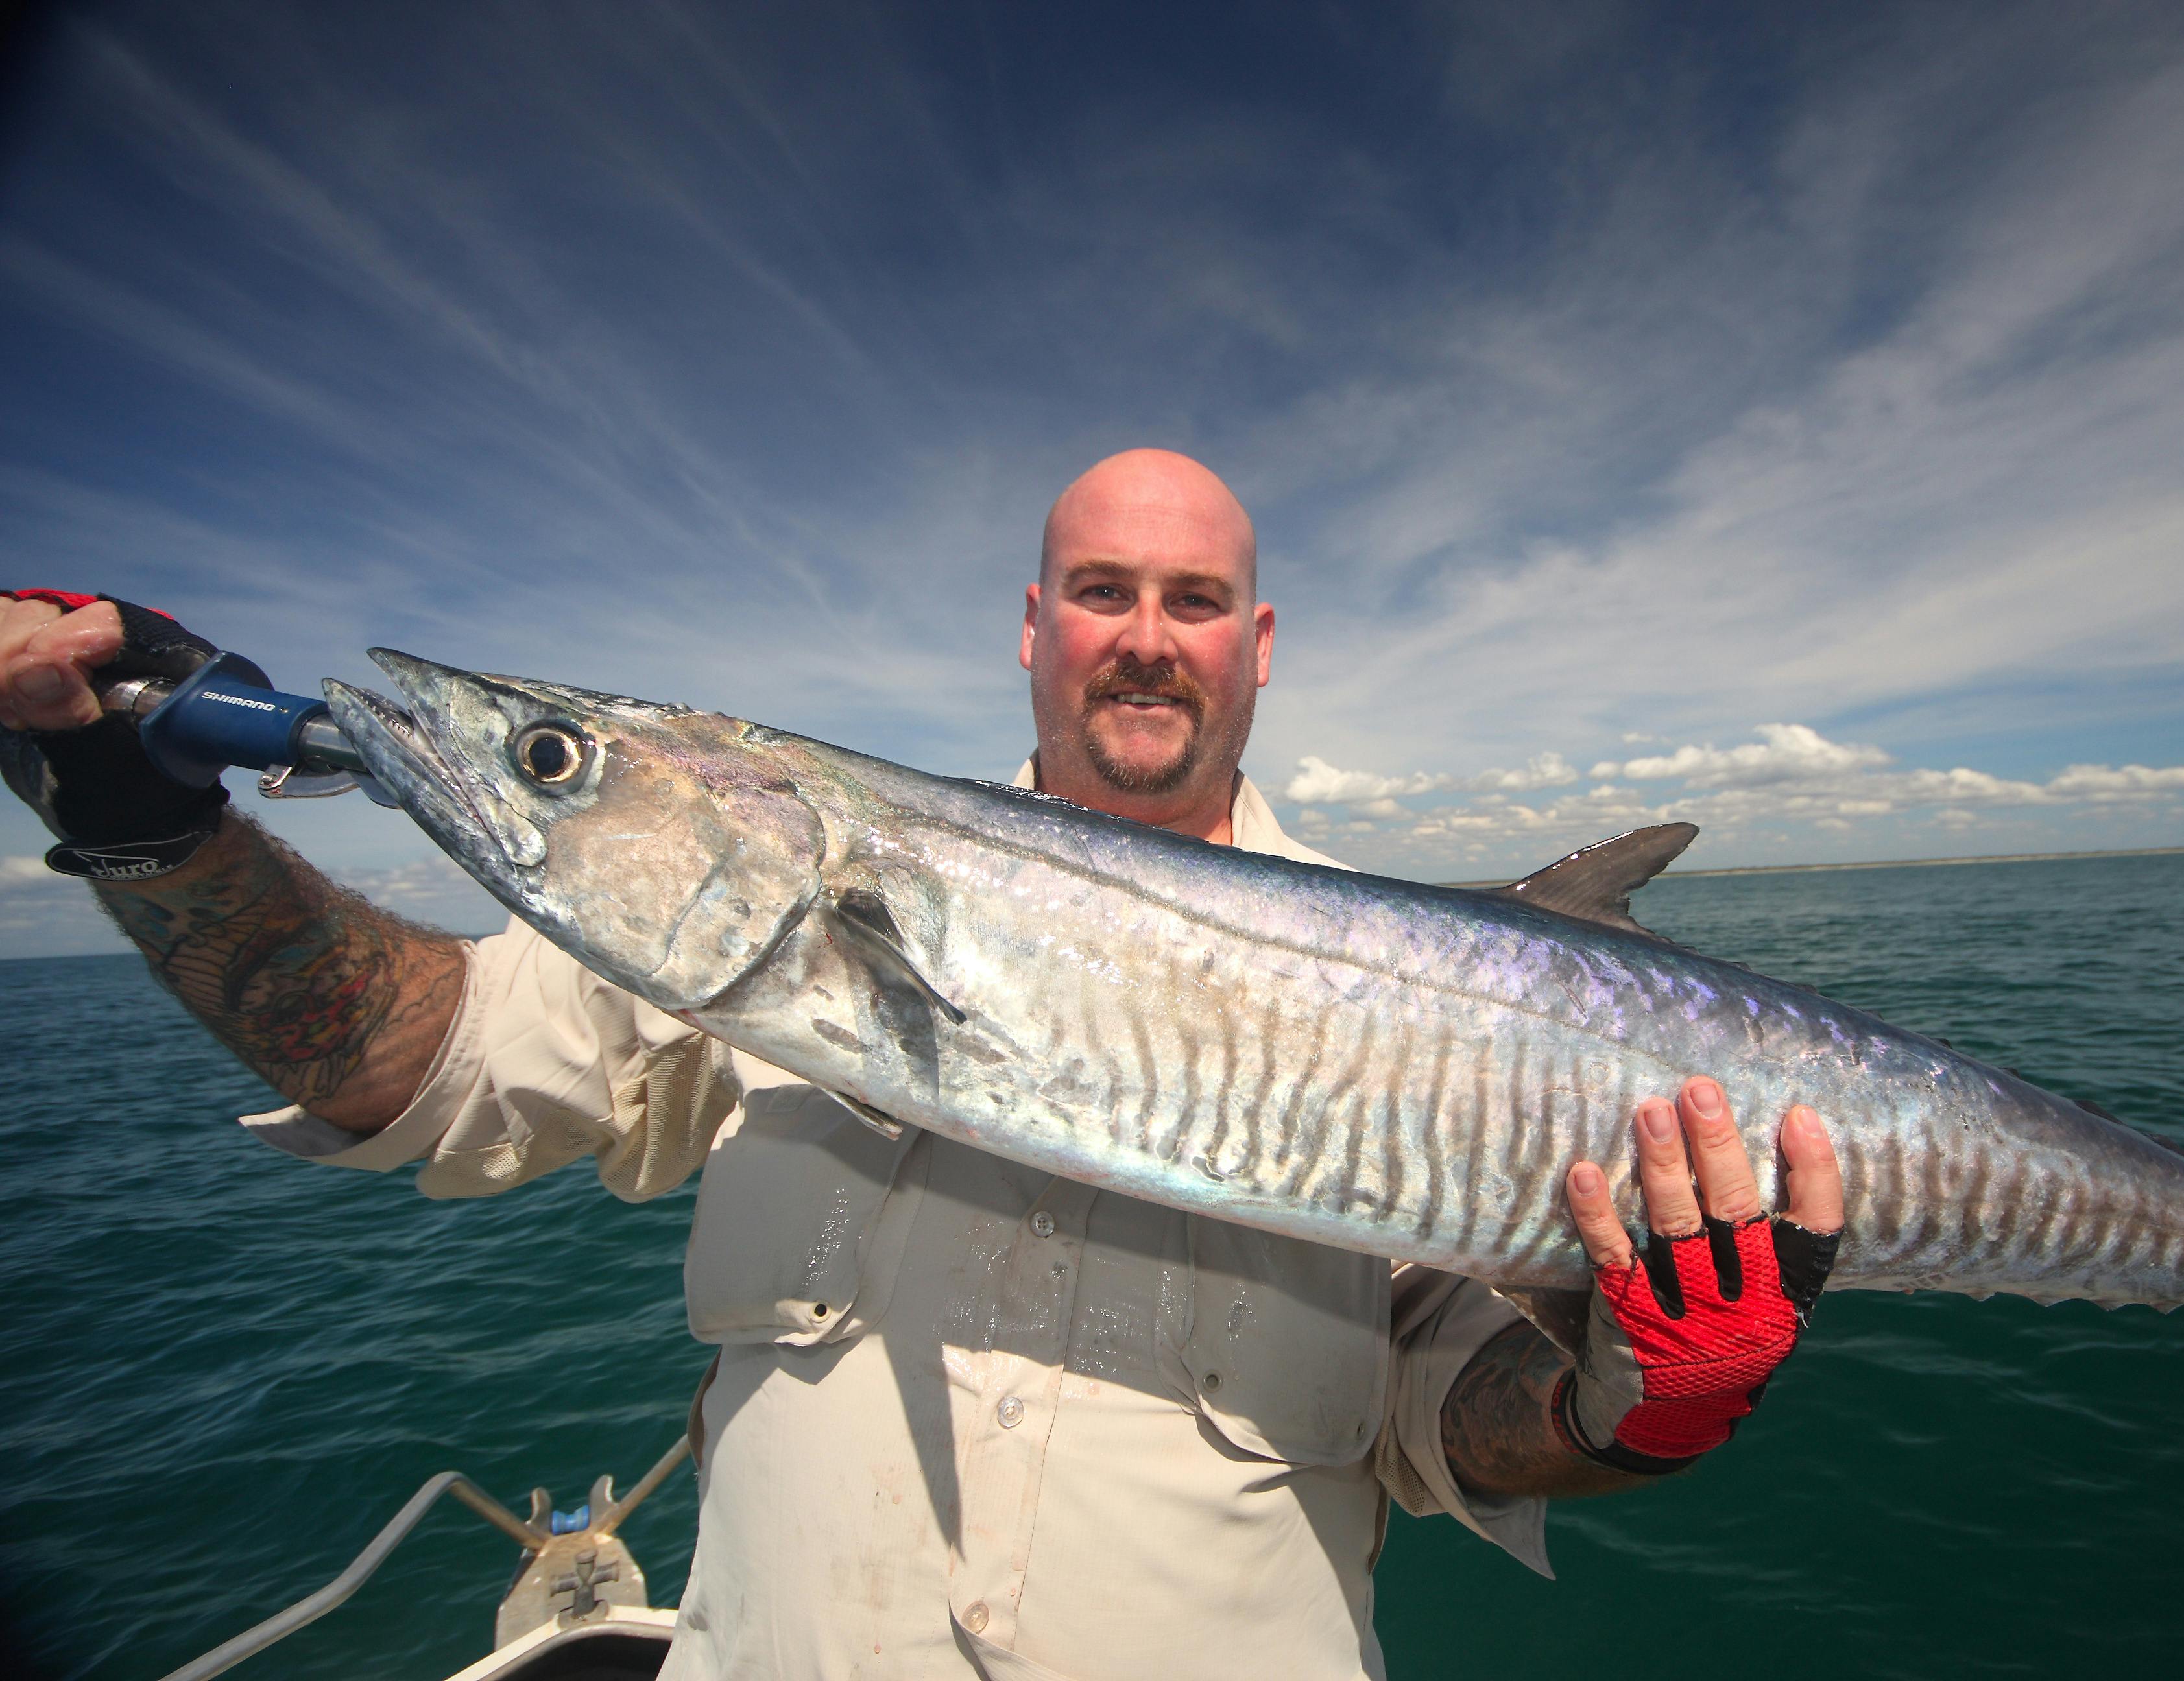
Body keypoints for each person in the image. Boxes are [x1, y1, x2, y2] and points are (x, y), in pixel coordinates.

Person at [0, 449, 1844, 1680]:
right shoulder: (759, 931)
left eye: (1193, 600)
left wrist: (1649, 1393)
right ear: (1033, 626)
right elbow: (414, 1059)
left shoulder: (1435, 1001)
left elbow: (1454, 1430)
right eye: (1100, 590)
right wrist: (141, 819)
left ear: (1257, 644)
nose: (1144, 637)